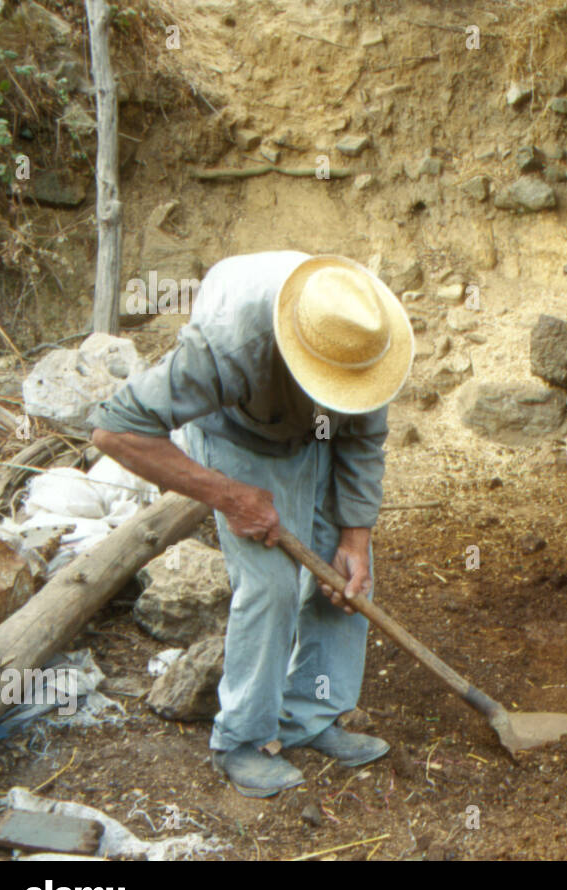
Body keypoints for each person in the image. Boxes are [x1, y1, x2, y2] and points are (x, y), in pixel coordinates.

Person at [90, 251, 413, 798]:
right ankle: (242, 739)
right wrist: (228, 495)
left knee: (348, 582)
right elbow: (114, 429)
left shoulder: (364, 335)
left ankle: (308, 717)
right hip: (240, 439)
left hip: (316, 434)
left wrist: (355, 535)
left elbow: (362, 440)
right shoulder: (229, 347)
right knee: (271, 587)